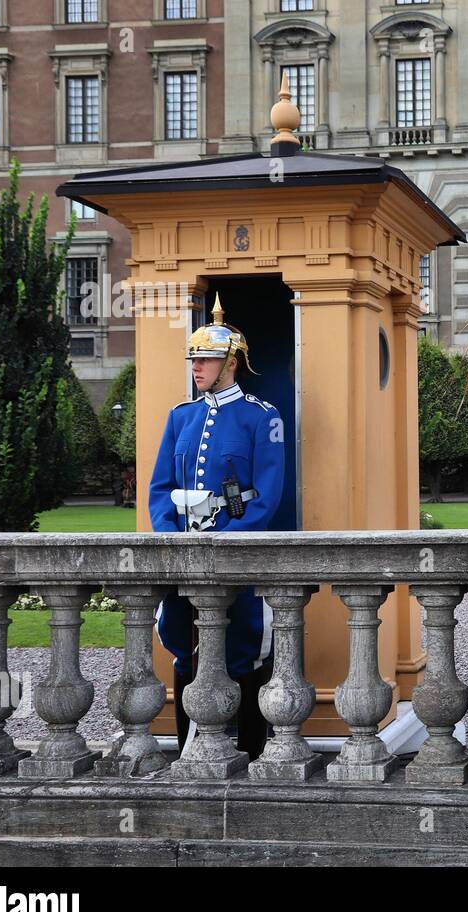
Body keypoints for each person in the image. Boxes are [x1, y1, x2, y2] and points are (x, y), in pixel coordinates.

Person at [148, 293, 285, 760]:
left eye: (204, 358)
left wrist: (233, 542)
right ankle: (191, 745)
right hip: (185, 552)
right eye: (193, 358)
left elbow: (267, 495)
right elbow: (161, 487)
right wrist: (169, 539)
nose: (196, 367)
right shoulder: (180, 417)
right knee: (183, 642)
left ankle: (247, 746)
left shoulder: (262, 417)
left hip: (236, 551)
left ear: (231, 362)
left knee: (244, 645)